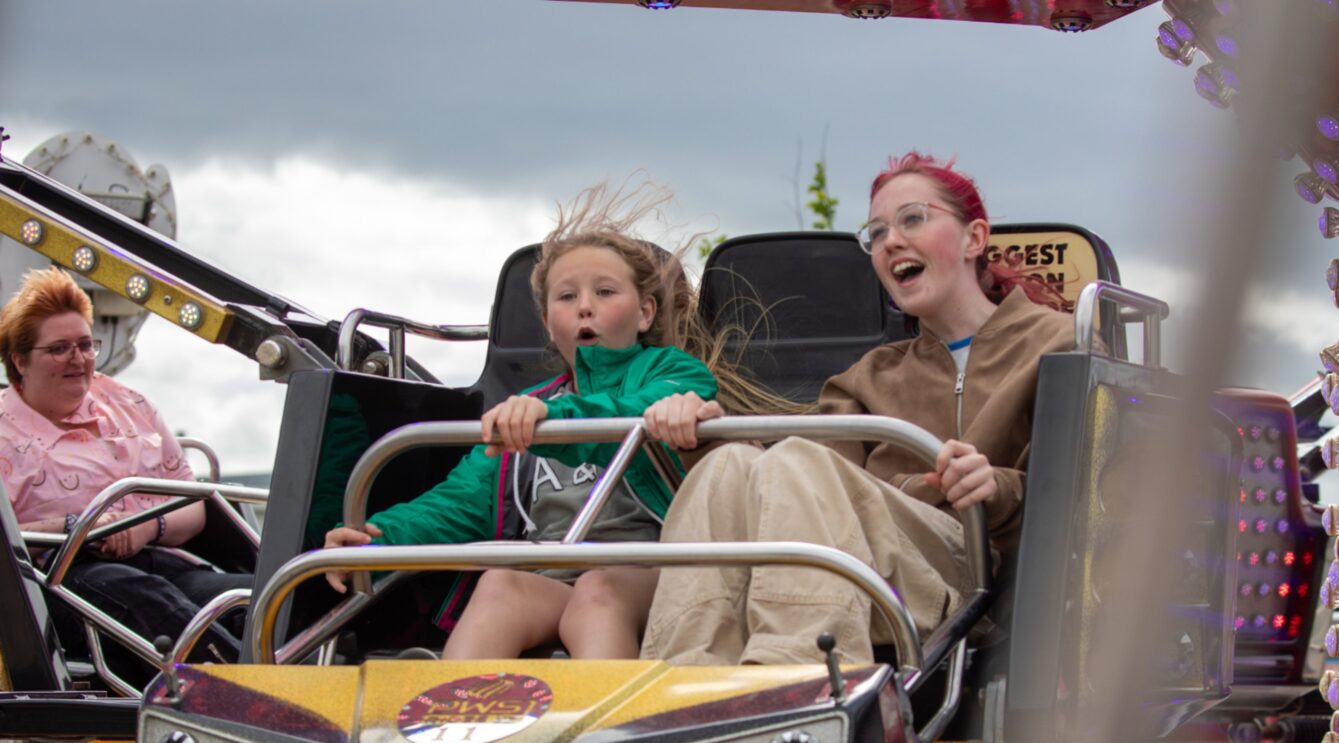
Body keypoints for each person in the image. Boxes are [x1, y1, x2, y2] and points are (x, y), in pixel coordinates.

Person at [322, 183, 796, 659]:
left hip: (652, 569)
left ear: (646, 312)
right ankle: (450, 720)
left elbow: (629, 415)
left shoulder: (675, 374)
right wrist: (375, 541)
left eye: (604, 292)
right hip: (553, 575)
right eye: (567, 297)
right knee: (498, 585)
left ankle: (614, 728)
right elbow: (461, 500)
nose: (584, 306)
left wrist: (553, 418)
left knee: (596, 596)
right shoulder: (529, 405)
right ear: (549, 323)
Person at [641, 152, 1081, 665]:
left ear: (974, 239)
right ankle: (681, 679)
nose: (890, 240)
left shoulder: (1060, 344)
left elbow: (1096, 495)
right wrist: (701, 435)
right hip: (876, 570)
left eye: (912, 218)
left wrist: (998, 488)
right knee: (727, 466)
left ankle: (793, 676)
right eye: (875, 233)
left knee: (796, 460)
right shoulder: (868, 376)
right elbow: (805, 491)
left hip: (986, 576)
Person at [0, 267, 251, 672]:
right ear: (19, 360)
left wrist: (143, 528)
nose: (78, 359)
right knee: (143, 596)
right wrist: (76, 528)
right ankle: (252, 693)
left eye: (85, 345)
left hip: (160, 561)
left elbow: (193, 506)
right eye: (59, 349)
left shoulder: (129, 406)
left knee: (253, 597)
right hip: (60, 583)